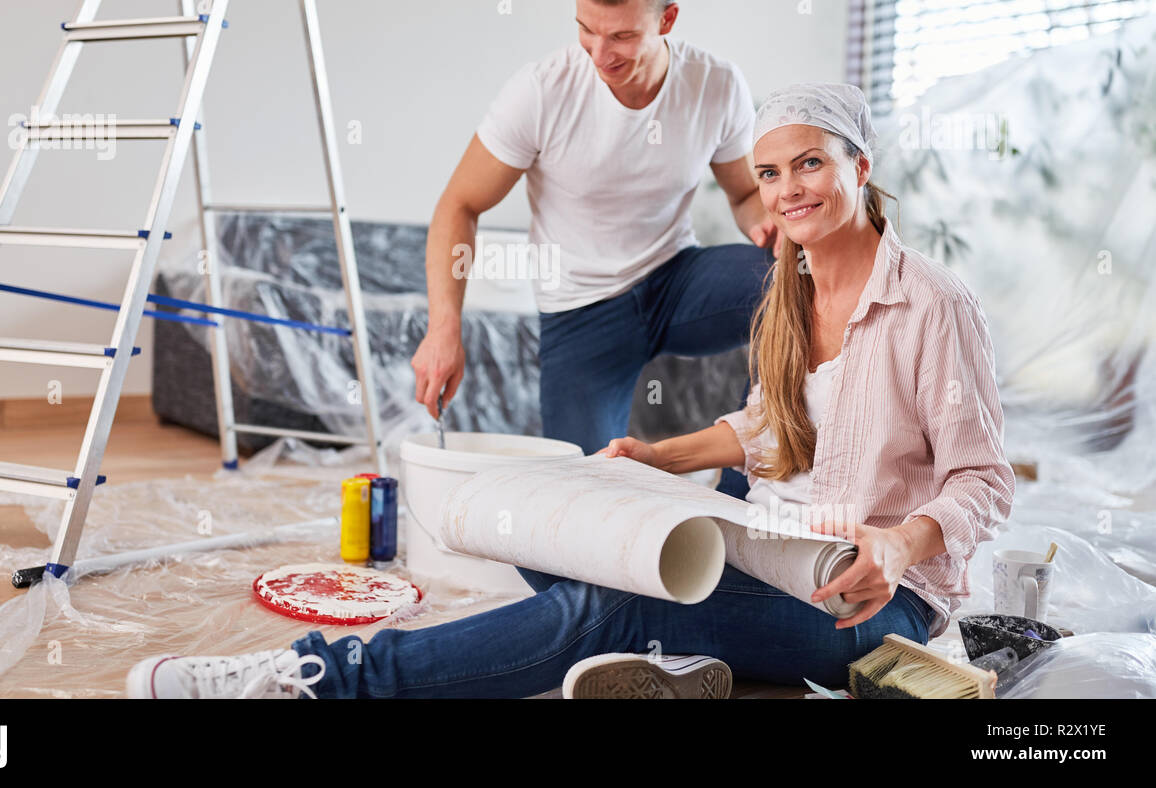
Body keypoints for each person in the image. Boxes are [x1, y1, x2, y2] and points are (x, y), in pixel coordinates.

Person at [126, 83, 1016, 699]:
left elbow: (984, 479)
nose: (787, 192)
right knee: (554, 530)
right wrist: (654, 457)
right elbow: (769, 426)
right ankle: (670, 660)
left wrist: (900, 550)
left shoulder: (933, 304)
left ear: (860, 167)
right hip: (766, 535)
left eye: (811, 165)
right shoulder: (788, 283)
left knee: (609, 598)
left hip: (860, 595)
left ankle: (317, 679)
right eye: (771, 173)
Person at [409, 0, 777, 458]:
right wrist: (443, 328)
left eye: (623, 36)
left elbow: (744, 194)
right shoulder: (541, 92)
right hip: (581, 308)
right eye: (587, 29)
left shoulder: (715, 85)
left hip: (676, 279)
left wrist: (762, 222)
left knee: (791, 283)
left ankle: (748, 502)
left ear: (667, 19)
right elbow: (458, 205)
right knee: (583, 487)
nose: (600, 54)